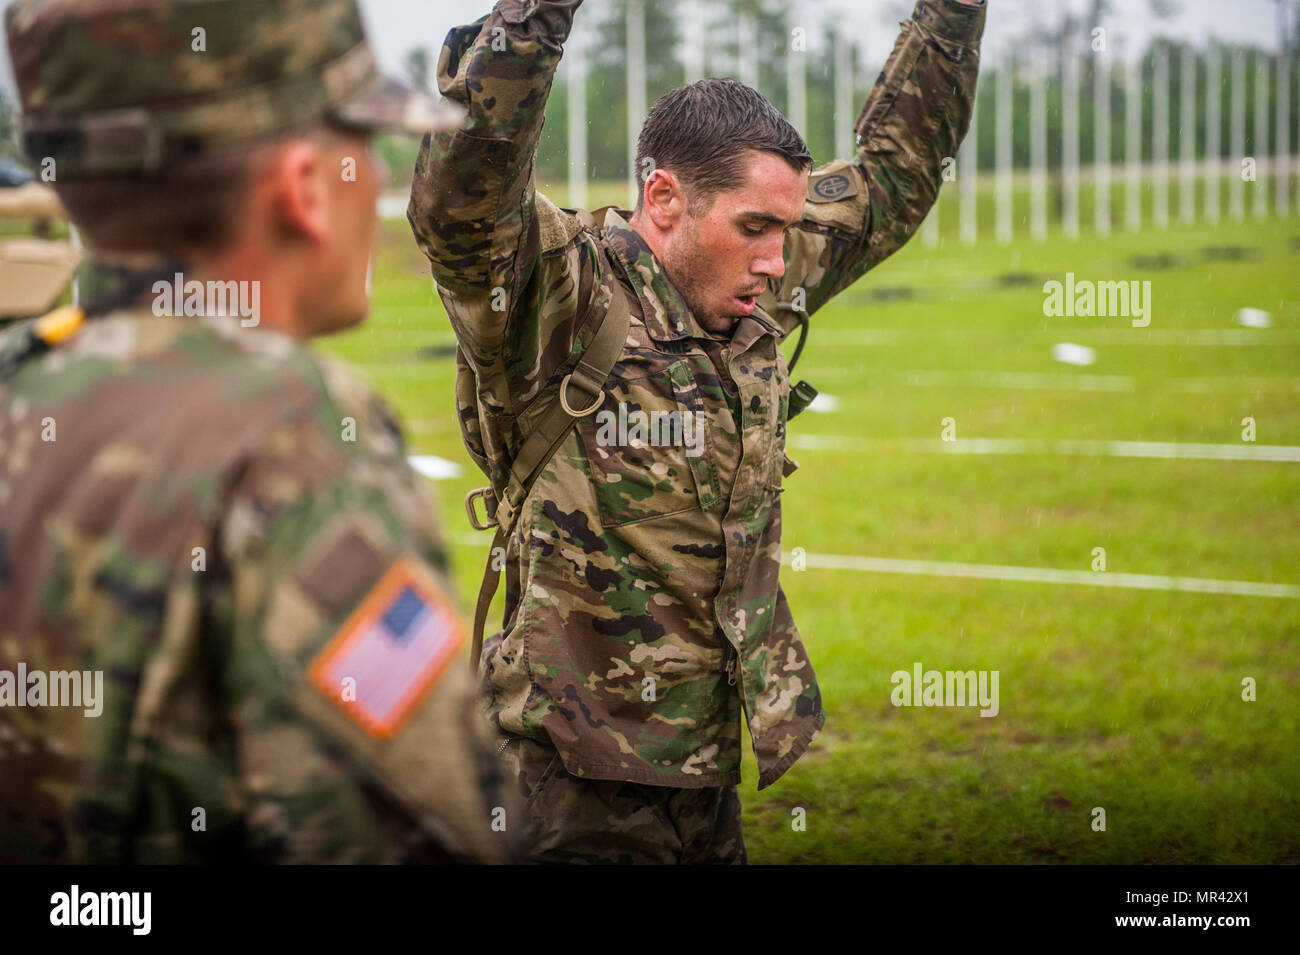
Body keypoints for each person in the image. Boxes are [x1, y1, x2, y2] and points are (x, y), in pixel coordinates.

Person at [409, 0, 986, 863]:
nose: (777, 260)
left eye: (786, 230)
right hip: (564, 789)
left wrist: (952, 12)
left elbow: (895, 175)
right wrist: (537, 18)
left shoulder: (754, 291)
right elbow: (463, 200)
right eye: (754, 228)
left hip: (705, 782)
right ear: (665, 198)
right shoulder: (559, 296)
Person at [0, 0, 522, 864]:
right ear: (305, 189)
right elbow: (427, 826)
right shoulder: (292, 435)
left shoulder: (22, 379)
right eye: (364, 139)